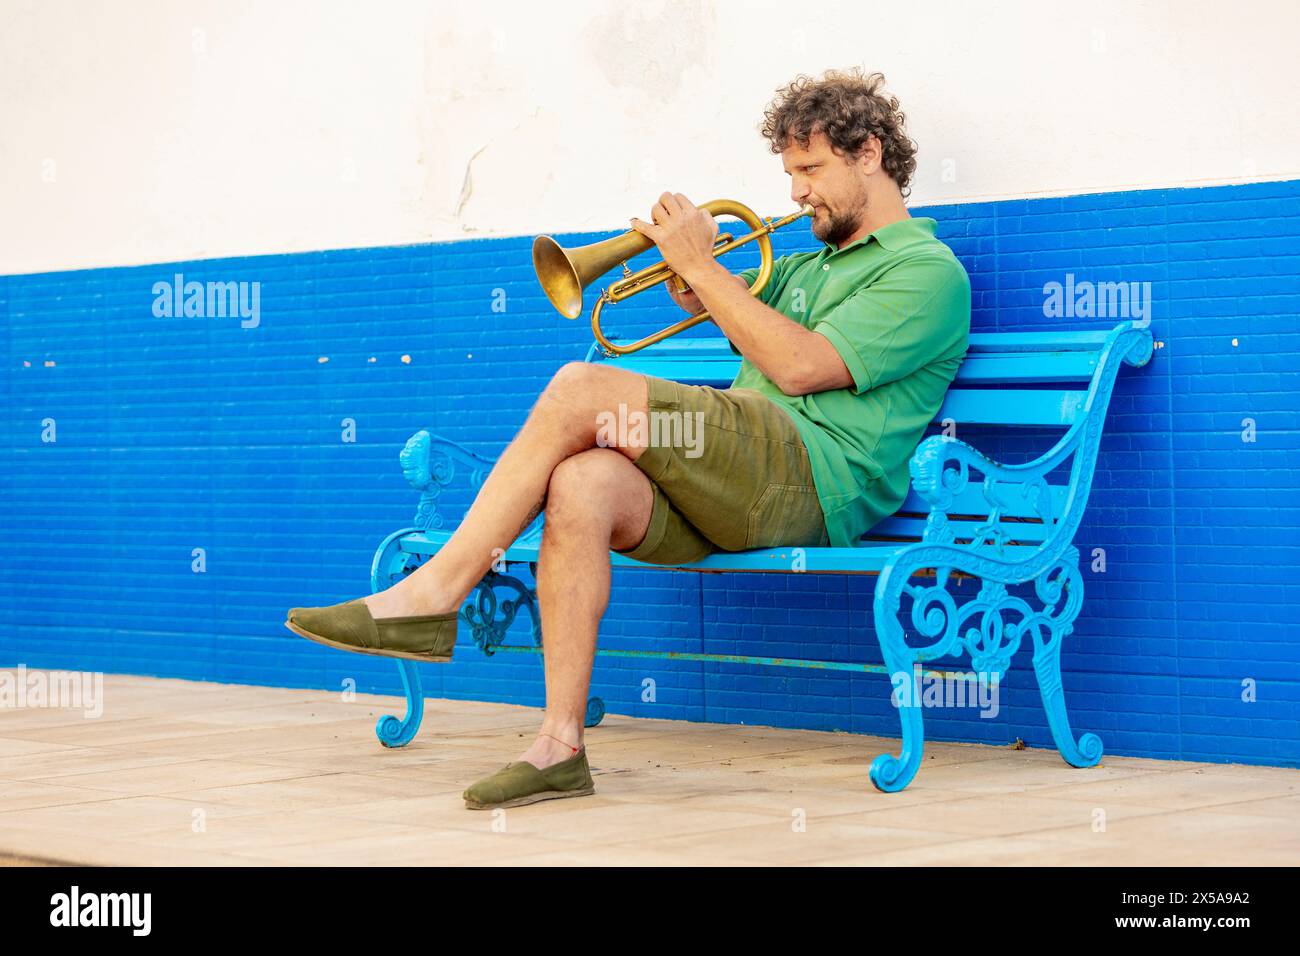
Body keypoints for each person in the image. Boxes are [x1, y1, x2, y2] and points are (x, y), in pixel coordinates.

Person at [284, 68, 971, 810]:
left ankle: (436, 592)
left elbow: (801, 368)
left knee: (582, 389)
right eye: (791, 173)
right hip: (737, 471)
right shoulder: (807, 263)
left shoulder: (926, 274)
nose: (796, 192)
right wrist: (686, 268)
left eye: (811, 170)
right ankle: (559, 747)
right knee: (582, 482)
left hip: (808, 474)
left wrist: (702, 266)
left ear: (868, 153)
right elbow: (730, 312)